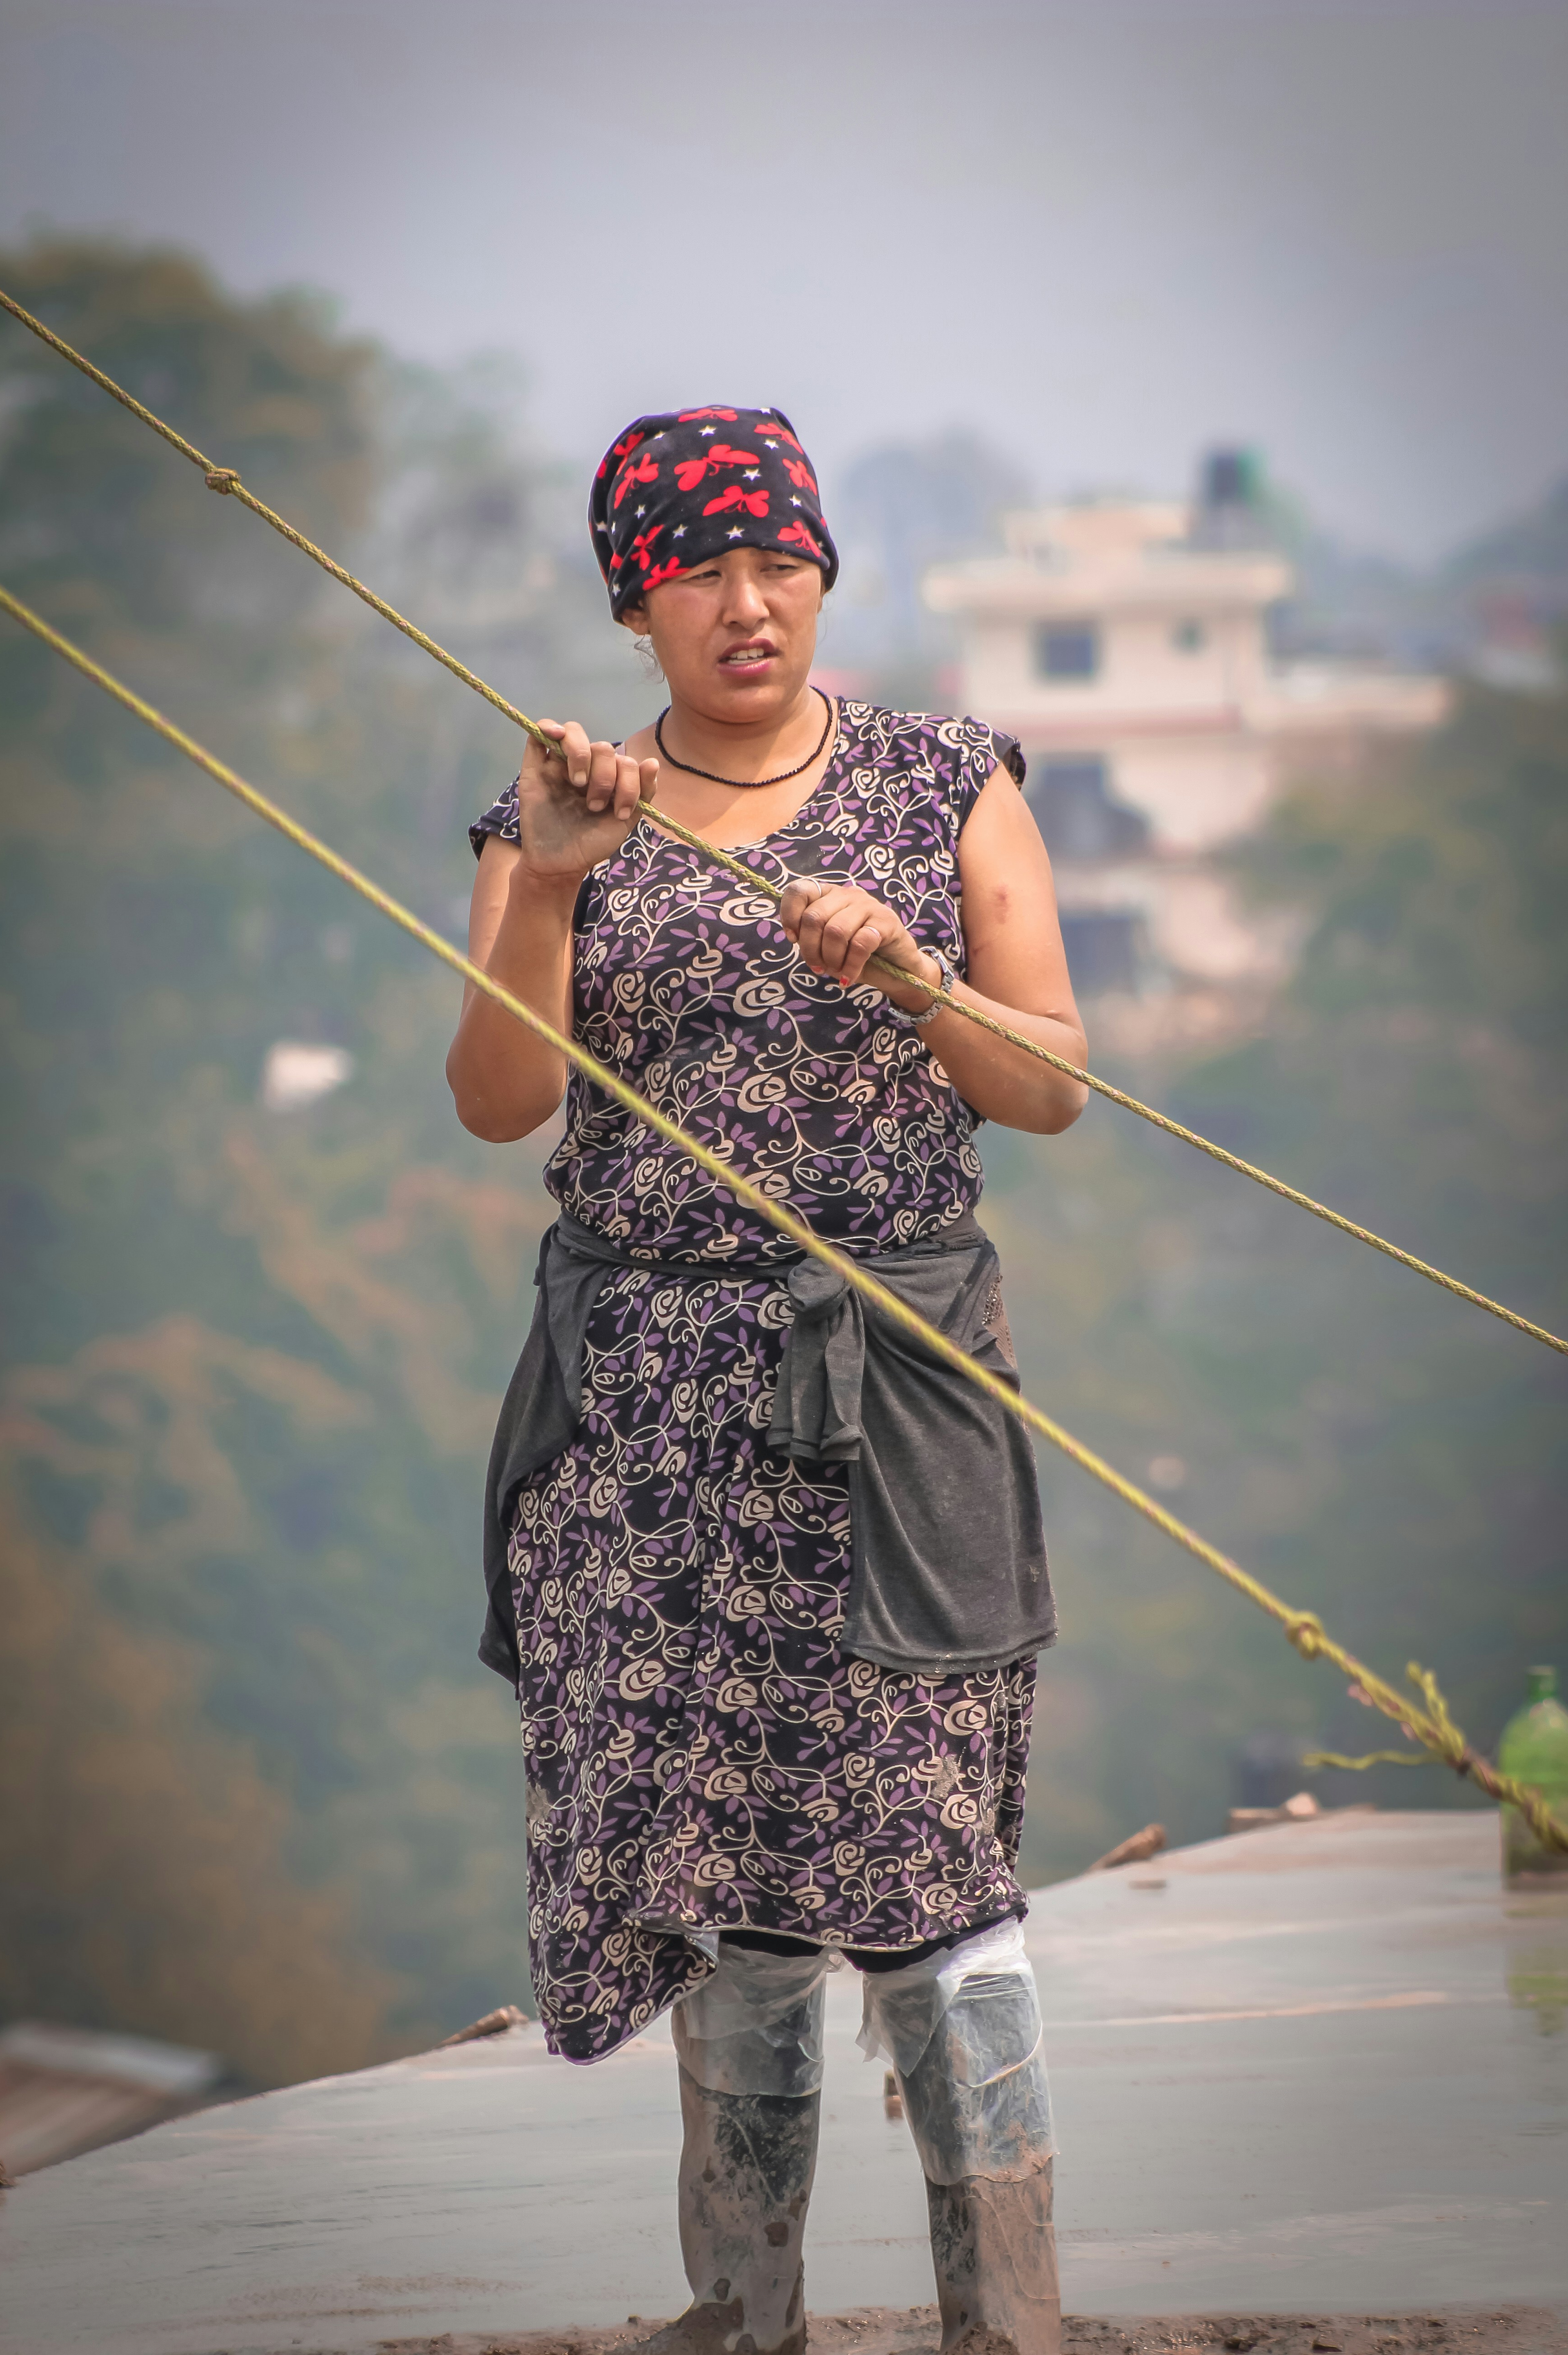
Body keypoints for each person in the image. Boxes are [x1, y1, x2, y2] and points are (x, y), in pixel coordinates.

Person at [447, 405, 1087, 2355]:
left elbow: (1051, 1080)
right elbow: (496, 1106)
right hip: (645, 1421)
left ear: (822, 579)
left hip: (892, 1396)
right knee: (722, 1880)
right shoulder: (565, 805)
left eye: (780, 567)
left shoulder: (938, 778)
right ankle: (748, 2315)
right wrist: (552, 881)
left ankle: (1016, 2315)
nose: (749, 606)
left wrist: (911, 977)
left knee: (929, 1850)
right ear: (636, 603)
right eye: (702, 573)